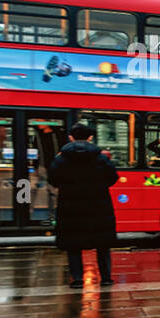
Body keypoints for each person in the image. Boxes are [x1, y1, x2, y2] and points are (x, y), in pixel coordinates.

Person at [48, 123, 118, 289]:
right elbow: (112, 178)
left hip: (70, 206)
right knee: (102, 244)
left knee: (73, 244)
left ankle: (78, 279)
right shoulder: (101, 158)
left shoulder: (61, 159)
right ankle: (106, 277)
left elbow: (53, 180)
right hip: (99, 206)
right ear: (90, 137)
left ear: (71, 137)